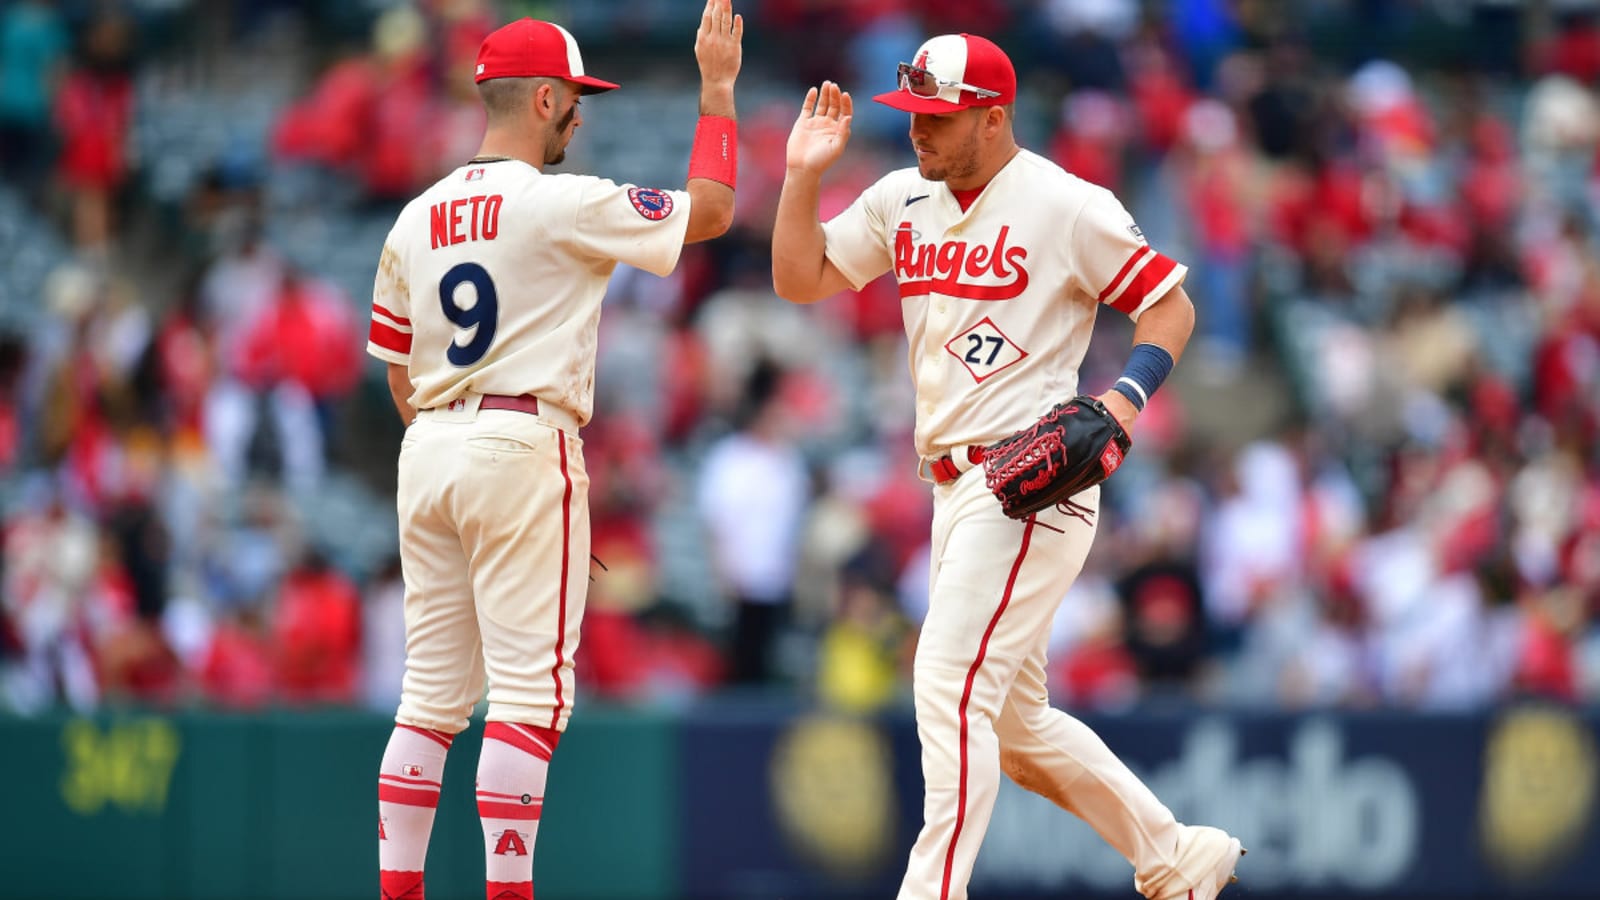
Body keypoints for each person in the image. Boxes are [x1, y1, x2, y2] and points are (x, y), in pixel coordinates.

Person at [771, 32, 1244, 900]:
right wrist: (802, 176)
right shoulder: (900, 197)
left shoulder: (1065, 204)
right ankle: (1177, 856)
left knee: (946, 682)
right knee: (1018, 730)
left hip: (1031, 480)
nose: (919, 132)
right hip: (952, 488)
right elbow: (801, 278)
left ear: (992, 119)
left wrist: (1122, 404)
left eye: (939, 118)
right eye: (914, 113)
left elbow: (1168, 308)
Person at [365, 6, 743, 900]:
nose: (581, 114)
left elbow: (394, 370)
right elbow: (717, 212)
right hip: (521, 437)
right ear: (542, 98)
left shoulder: (414, 217)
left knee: (428, 700)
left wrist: (444, 429)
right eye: (574, 99)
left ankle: (398, 891)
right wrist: (720, 89)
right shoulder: (563, 200)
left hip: (428, 442)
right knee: (528, 700)